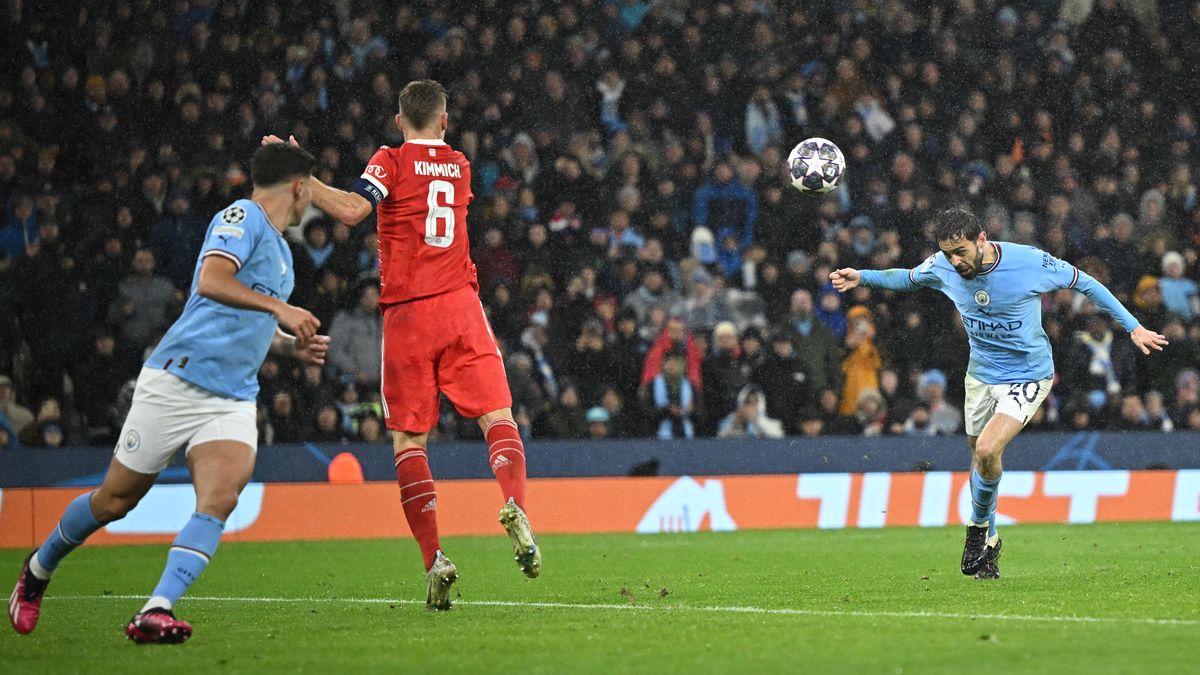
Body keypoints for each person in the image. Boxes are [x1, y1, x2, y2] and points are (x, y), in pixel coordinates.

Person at [8, 143, 329, 642]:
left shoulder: (284, 253)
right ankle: (39, 569)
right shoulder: (241, 215)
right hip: (178, 380)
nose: (314, 198)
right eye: (312, 186)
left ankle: (156, 609)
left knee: (220, 497)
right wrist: (281, 310)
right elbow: (211, 280)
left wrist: (288, 348)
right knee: (115, 501)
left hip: (232, 395)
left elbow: (248, 323)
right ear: (298, 186)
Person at [263, 79, 539, 611]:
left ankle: (435, 558)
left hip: (410, 314)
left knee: (410, 442)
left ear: (397, 121)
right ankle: (515, 503)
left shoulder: (390, 161)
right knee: (497, 415)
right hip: (461, 305)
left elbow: (349, 211)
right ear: (444, 121)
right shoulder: (458, 165)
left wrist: (301, 174)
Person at [831, 207, 1167, 580]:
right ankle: (990, 544)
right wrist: (863, 276)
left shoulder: (1028, 262)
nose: (954, 262)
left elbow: (1085, 282)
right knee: (980, 459)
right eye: (947, 254)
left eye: (960, 251)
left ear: (981, 240)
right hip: (981, 376)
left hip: (1028, 375)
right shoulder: (942, 266)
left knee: (989, 450)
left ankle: (976, 530)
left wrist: (1133, 327)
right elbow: (907, 279)